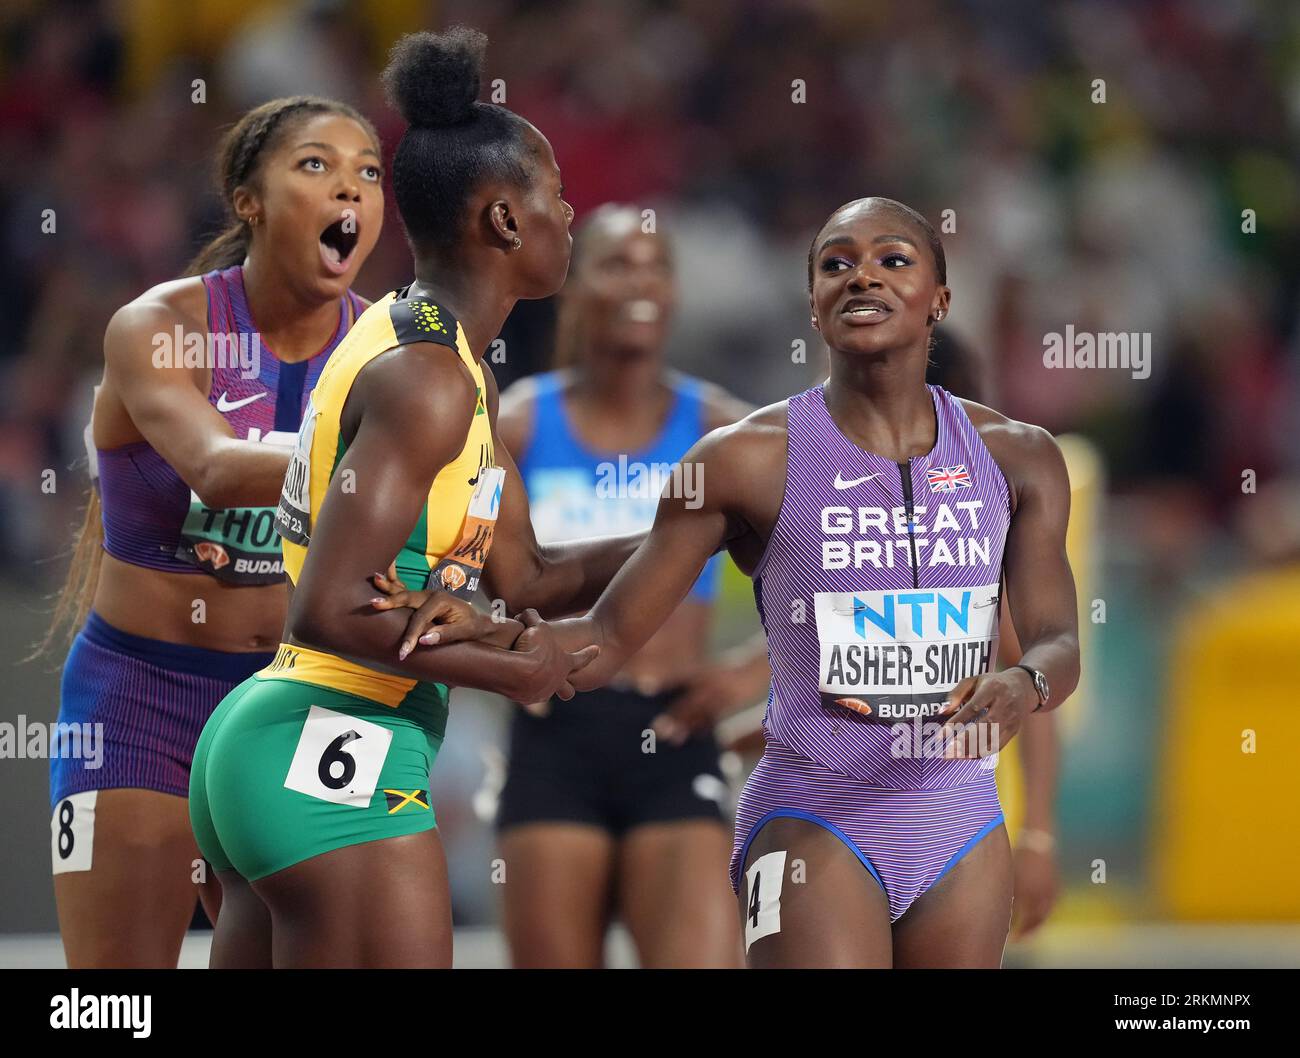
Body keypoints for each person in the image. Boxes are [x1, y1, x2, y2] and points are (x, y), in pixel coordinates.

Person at [187, 27, 637, 969]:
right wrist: (511, 671)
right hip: (334, 740)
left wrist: (693, 522)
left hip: (282, 743)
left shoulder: (448, 360)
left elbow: (530, 576)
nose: (571, 212)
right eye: (556, 197)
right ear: (506, 221)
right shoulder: (428, 377)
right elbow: (327, 606)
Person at [536, 195, 1082, 967]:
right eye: (837, 263)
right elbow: (604, 635)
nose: (863, 276)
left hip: (959, 816)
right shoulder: (741, 460)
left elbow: (1060, 643)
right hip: (813, 812)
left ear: (941, 301)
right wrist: (477, 639)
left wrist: (1024, 684)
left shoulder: (1020, 458)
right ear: (814, 309)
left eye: (893, 260)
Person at [48, 94, 384, 967]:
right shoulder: (159, 328)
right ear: (249, 199)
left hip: (297, 700)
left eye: (368, 173)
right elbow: (214, 468)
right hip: (142, 694)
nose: (348, 188)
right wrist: (395, 466)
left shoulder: (392, 353)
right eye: (315, 164)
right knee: (110, 1009)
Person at [492, 204, 764, 967]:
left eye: (657, 266)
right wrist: (502, 657)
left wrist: (751, 670)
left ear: (675, 294)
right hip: (555, 738)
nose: (640, 281)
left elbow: (827, 556)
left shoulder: (721, 430)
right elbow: (460, 563)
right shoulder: (519, 422)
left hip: (677, 729)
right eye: (618, 263)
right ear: (575, 288)